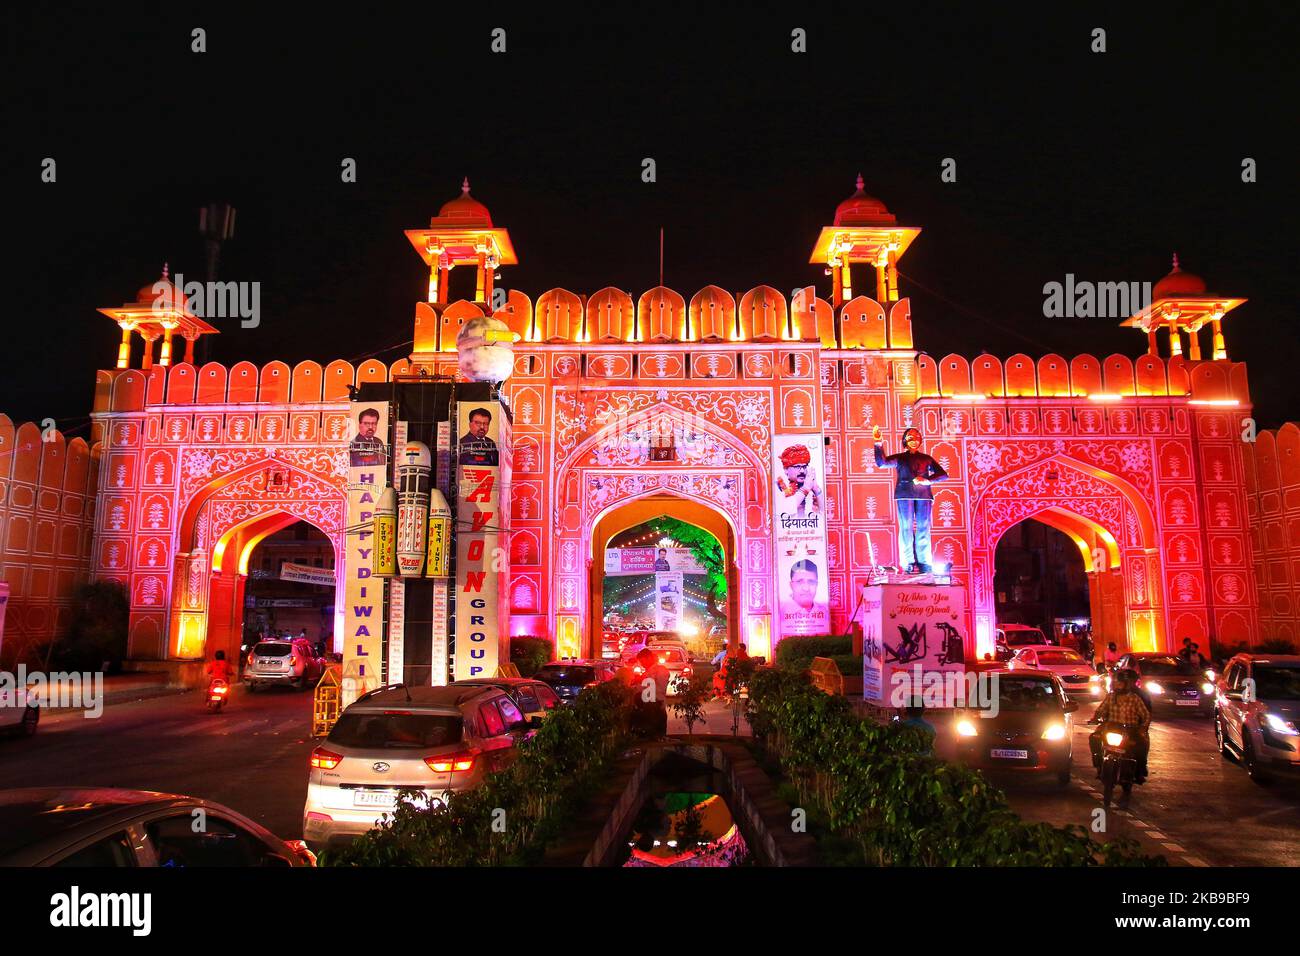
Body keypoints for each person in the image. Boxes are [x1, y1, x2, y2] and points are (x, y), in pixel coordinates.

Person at [872, 424, 948, 573]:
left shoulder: (926, 458)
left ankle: (924, 563)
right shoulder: (900, 458)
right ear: (905, 440)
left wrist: (927, 480)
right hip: (904, 494)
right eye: (911, 437)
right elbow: (882, 463)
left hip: (924, 496)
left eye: (917, 437)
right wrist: (878, 443)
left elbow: (943, 474)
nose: (914, 440)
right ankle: (907, 562)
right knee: (906, 528)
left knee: (923, 529)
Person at [1088, 668, 1151, 783]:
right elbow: (1101, 710)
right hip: (1112, 727)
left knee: (1142, 745)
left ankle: (1139, 771)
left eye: (1120, 683)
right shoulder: (1111, 697)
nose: (1118, 686)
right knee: (1094, 738)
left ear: (1126, 684)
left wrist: (1143, 728)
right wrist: (1095, 718)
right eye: (1116, 683)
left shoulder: (1135, 698)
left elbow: (1146, 715)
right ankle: (1099, 764)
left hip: (1131, 729)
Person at [633, 647, 670, 737]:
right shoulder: (647, 673)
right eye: (641, 663)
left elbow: (660, 689)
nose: (642, 664)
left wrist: (642, 684)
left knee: (657, 739)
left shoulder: (661, 670)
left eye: (643, 661)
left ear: (649, 658)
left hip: (657, 709)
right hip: (646, 710)